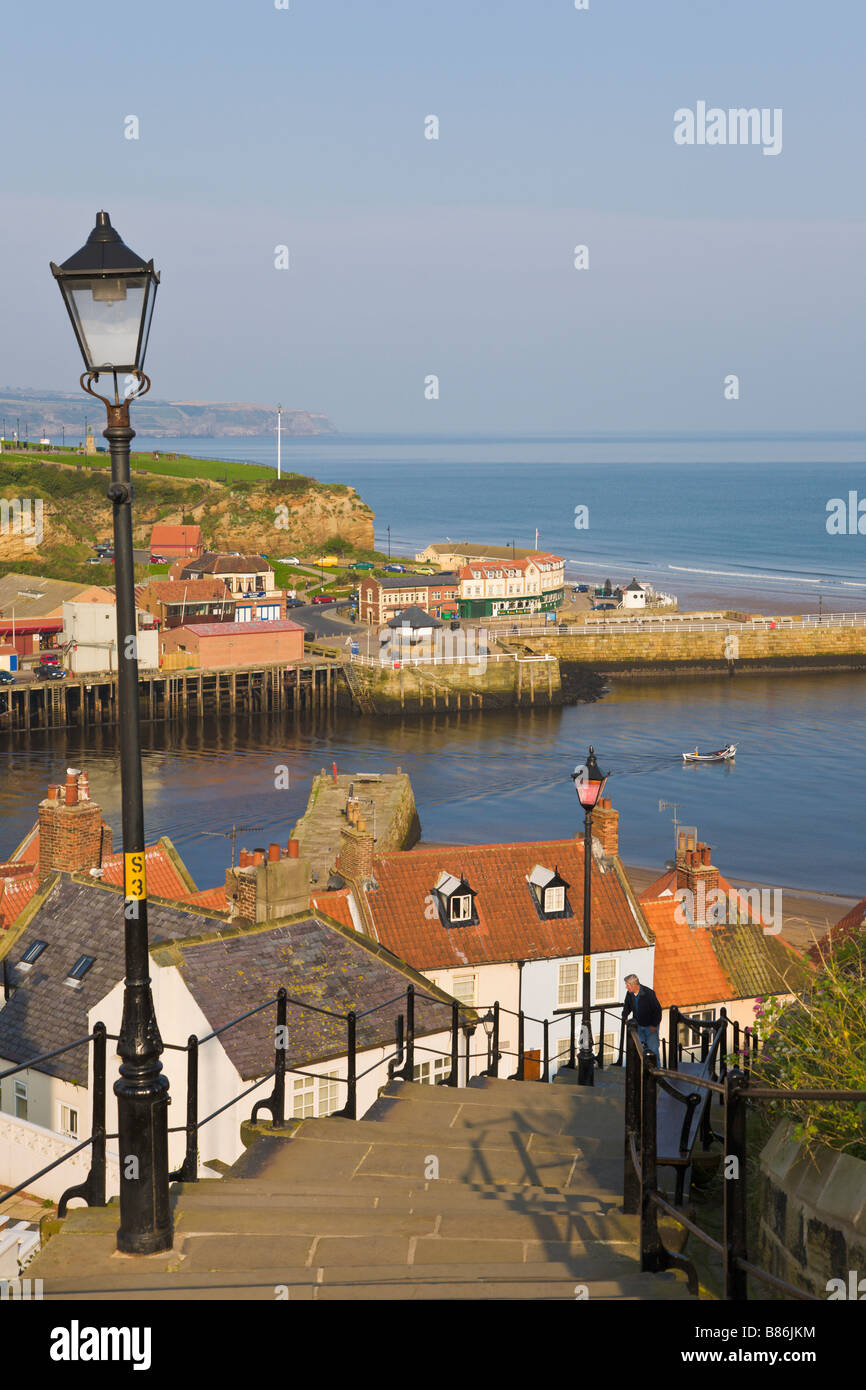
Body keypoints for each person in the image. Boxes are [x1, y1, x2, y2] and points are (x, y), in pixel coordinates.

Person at [621, 973, 662, 1060]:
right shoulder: (629, 994)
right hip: (638, 1025)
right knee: (640, 1050)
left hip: (650, 1026)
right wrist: (624, 1016)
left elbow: (657, 1010)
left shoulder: (649, 993)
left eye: (627, 985)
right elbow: (627, 1006)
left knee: (653, 1050)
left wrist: (654, 1025)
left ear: (634, 985)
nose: (626, 987)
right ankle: (643, 1071)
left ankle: (657, 1071)